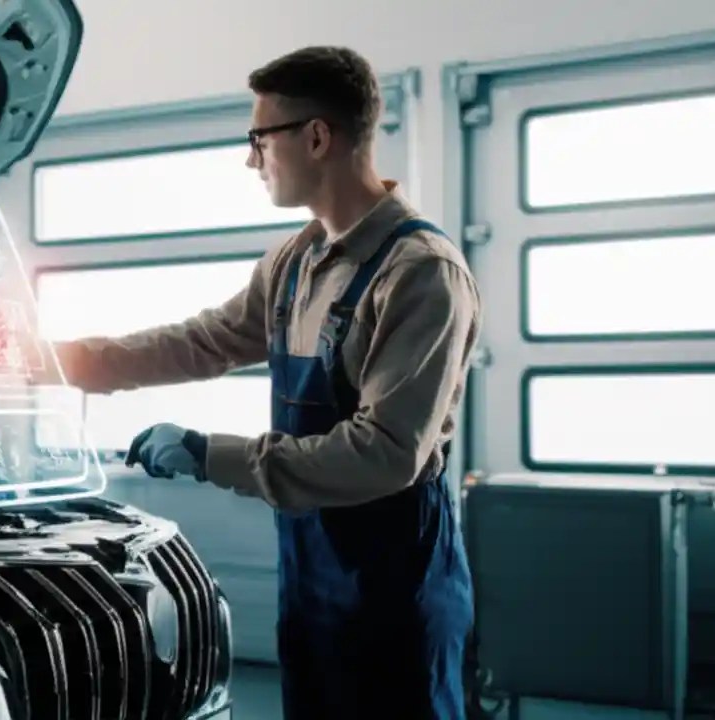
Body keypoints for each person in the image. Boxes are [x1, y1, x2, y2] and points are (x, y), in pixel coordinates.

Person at [46, 46, 480, 720]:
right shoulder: (294, 262)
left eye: (260, 139)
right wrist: (61, 363)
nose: (252, 161)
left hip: (397, 588)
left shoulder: (421, 273)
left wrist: (208, 454)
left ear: (316, 137)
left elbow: (385, 453)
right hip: (311, 579)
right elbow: (204, 341)